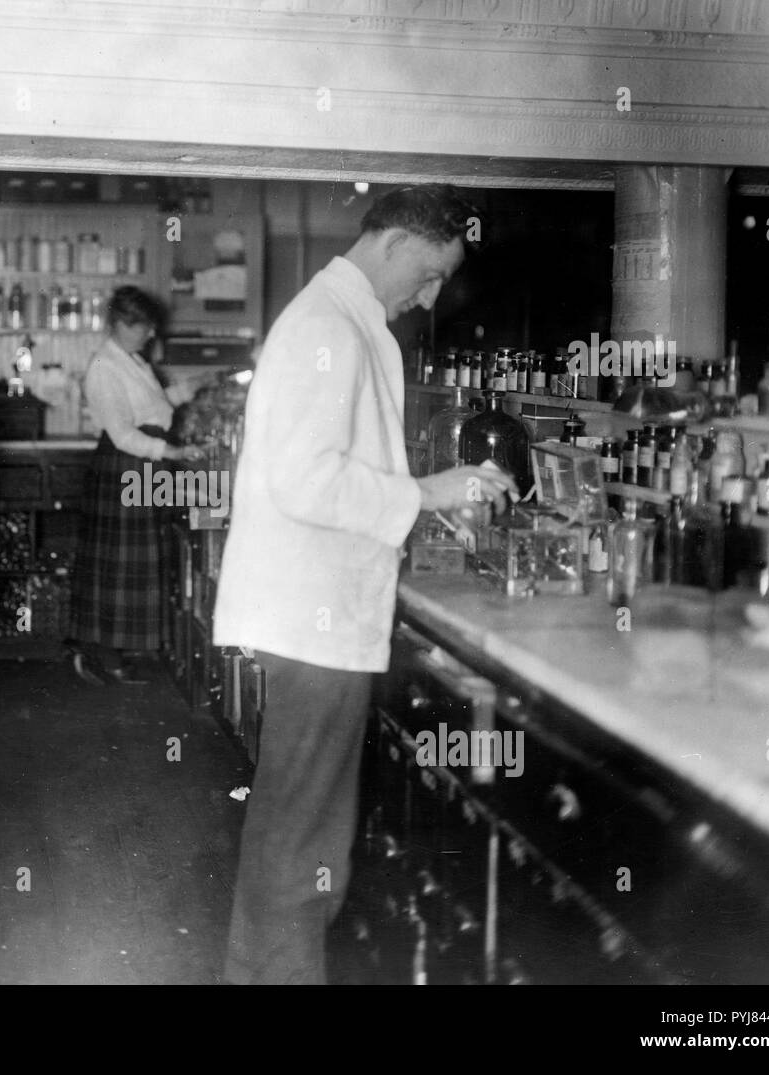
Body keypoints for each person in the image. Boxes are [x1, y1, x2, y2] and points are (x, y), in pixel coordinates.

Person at [213, 185, 517, 983]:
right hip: (313, 621)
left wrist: (414, 495)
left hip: (319, 616)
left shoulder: (344, 320)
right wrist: (431, 491)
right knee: (302, 836)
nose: (433, 293)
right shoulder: (328, 327)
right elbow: (306, 484)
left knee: (302, 829)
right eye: (431, 271)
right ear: (392, 243)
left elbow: (335, 474)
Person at [67, 286, 203, 686]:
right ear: (115, 324)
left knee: (133, 562)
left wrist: (190, 388)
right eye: (137, 325)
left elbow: (152, 407)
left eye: (148, 325)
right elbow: (124, 434)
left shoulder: (131, 360)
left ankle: (108, 651)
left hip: (143, 464)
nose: (147, 333)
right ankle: (101, 655)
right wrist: (175, 453)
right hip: (127, 464)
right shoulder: (104, 367)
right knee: (119, 566)